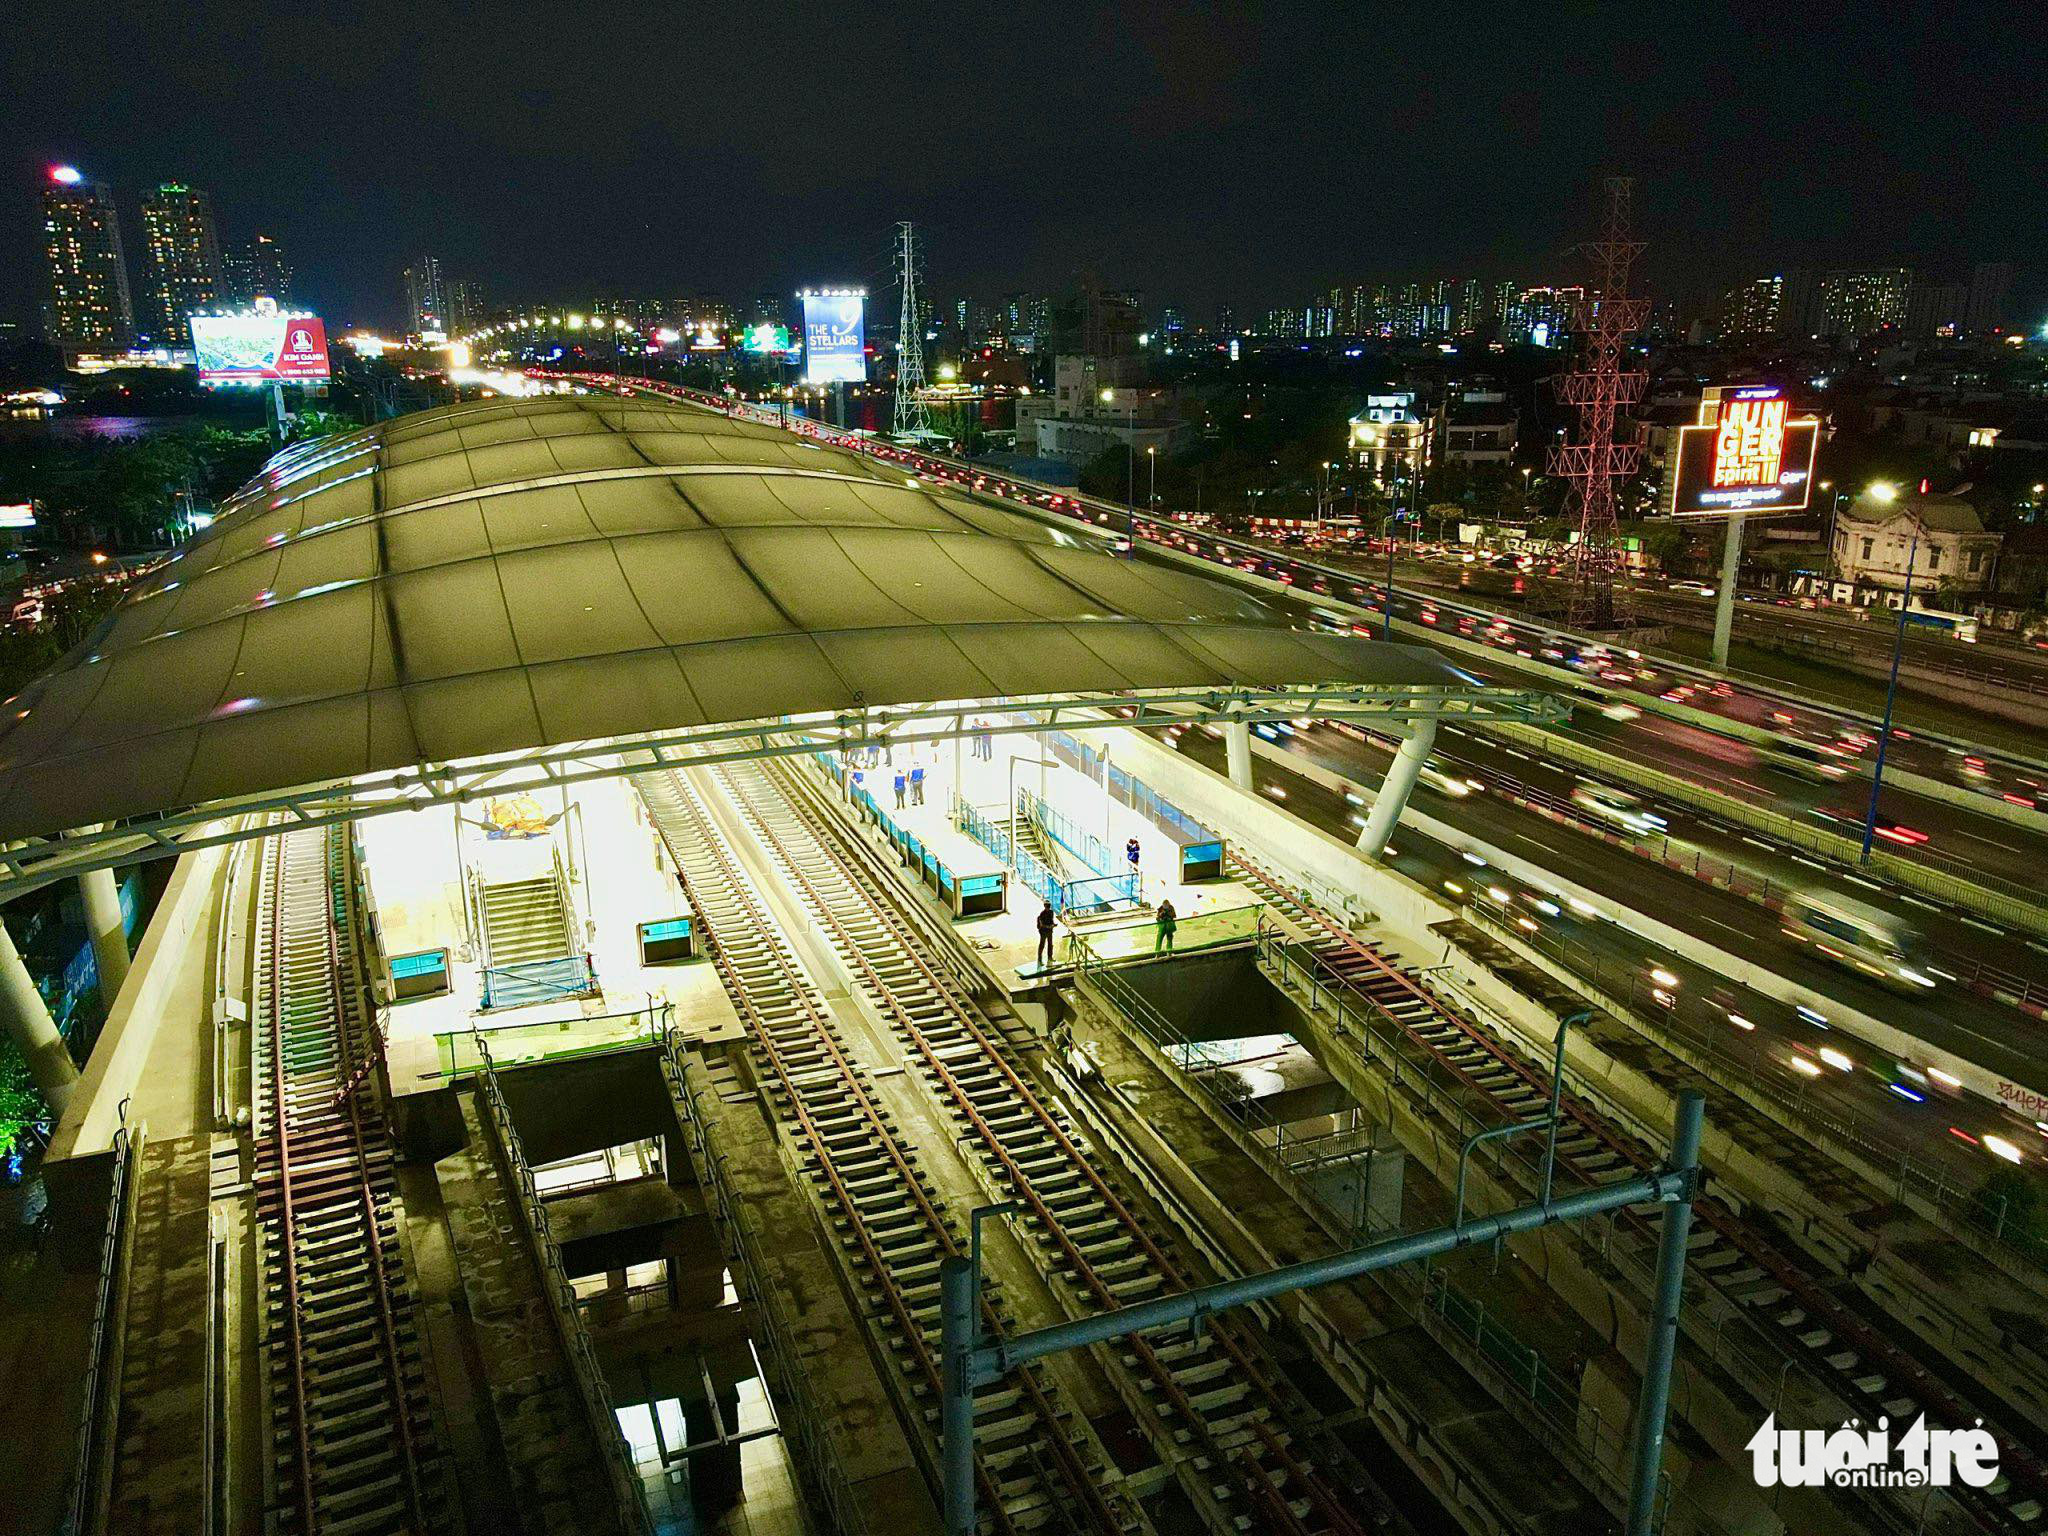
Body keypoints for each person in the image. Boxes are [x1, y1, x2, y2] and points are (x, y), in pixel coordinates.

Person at [1035, 899, 1056, 969]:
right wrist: (1048, 926)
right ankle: (1039, 959)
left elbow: (1052, 920)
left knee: (1050, 944)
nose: (1048, 907)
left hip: (1049, 931)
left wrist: (1053, 925)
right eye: (1047, 906)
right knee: (1042, 945)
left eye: (1049, 906)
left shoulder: (1051, 912)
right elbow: (1041, 924)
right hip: (1043, 931)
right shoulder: (1042, 914)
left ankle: (1050, 957)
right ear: (1045, 906)